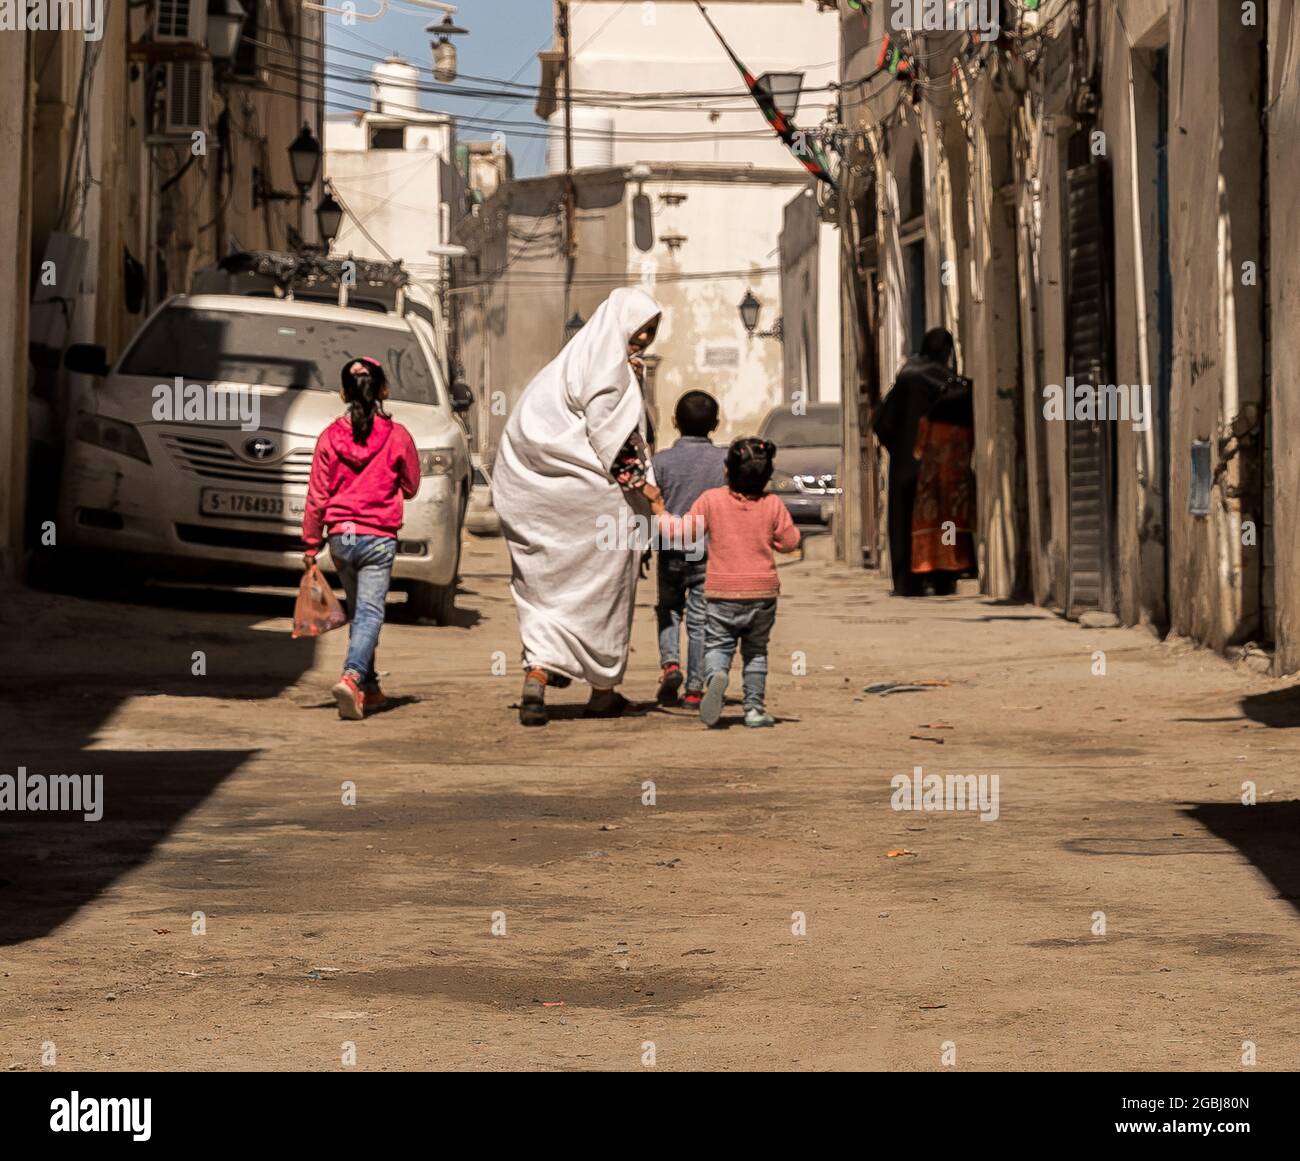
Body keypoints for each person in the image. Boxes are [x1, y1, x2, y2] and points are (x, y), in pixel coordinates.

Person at [492, 286, 663, 727]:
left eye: (650, 332)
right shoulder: (610, 371)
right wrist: (648, 492)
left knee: (545, 592)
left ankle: (538, 673)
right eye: (640, 330)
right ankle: (602, 692)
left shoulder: (566, 366)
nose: (643, 339)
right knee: (602, 591)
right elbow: (614, 438)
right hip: (596, 505)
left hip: (547, 505)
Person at [641, 437, 801, 728]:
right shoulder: (773, 505)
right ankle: (753, 709)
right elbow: (790, 542)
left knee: (718, 644)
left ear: (727, 471)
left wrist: (660, 511)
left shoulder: (711, 500)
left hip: (721, 592)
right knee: (756, 652)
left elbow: (682, 534)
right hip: (762, 593)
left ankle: (716, 675)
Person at [303, 357, 420, 720]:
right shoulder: (398, 436)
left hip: (342, 539)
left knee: (361, 613)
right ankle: (352, 677)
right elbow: (412, 486)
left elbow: (317, 496)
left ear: (343, 393)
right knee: (370, 613)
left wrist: (310, 545)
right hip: (378, 537)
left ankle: (369, 687)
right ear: (383, 390)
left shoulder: (328, 437)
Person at [650, 390, 726, 708]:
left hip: (670, 547)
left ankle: (670, 664)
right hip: (707, 550)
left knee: (668, 608)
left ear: (674, 423)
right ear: (716, 424)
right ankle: (695, 689)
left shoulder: (660, 462)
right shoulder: (724, 461)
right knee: (699, 618)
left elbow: (650, 504)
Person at [872, 327, 958, 596]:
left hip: (904, 466)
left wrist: (900, 449)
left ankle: (906, 582)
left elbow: (881, 422)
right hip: (939, 465)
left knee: (903, 522)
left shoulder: (906, 376)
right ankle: (941, 578)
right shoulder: (948, 381)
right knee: (942, 520)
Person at [911, 376, 976, 594]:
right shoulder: (967, 420)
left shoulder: (930, 418)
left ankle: (930, 567)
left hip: (931, 484)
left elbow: (918, 451)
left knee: (934, 524)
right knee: (953, 523)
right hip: (957, 483)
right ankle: (954, 565)